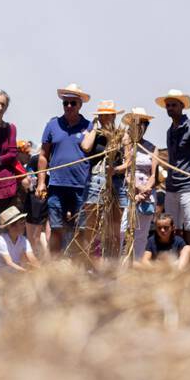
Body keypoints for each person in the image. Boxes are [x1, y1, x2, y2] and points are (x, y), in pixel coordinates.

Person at [37, 83, 92, 258]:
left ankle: (78, 266)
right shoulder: (52, 125)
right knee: (56, 227)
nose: (68, 106)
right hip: (56, 184)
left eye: (73, 103)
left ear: (80, 105)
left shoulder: (89, 126)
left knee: (80, 229)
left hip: (80, 186)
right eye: (65, 103)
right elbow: (43, 155)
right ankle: (54, 265)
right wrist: (41, 182)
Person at [154, 89, 190, 246]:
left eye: (173, 105)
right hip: (171, 187)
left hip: (187, 187)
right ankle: (175, 262)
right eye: (168, 105)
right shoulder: (170, 130)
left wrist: (189, 175)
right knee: (172, 228)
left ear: (182, 106)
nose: (170, 108)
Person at [75, 100, 122, 260]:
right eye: (102, 115)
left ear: (114, 116)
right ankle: (91, 262)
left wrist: (115, 170)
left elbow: (128, 160)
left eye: (107, 115)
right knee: (92, 225)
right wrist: (94, 127)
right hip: (96, 178)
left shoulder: (121, 135)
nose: (105, 118)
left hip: (116, 181)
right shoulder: (94, 133)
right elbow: (86, 147)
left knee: (114, 226)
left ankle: (112, 263)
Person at [118, 108, 158, 260]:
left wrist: (146, 189)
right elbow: (127, 172)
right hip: (130, 191)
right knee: (123, 229)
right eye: (138, 123)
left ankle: (136, 266)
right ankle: (119, 264)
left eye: (144, 124)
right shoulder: (127, 144)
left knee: (141, 235)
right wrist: (138, 189)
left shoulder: (152, 147)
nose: (141, 127)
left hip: (147, 193)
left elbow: (154, 174)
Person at [0, 205, 37, 275]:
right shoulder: (0, 241)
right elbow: (9, 263)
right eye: (21, 223)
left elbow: (32, 258)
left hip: (13, 276)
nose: (24, 226)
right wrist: (27, 273)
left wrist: (41, 270)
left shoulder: (23, 240)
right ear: (11, 226)